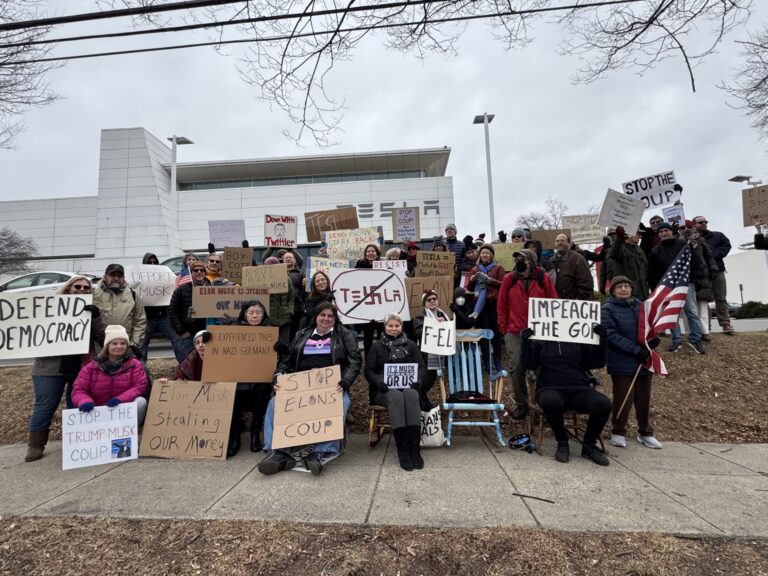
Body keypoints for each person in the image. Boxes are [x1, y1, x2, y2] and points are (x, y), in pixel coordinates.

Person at [258, 302, 361, 476]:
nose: (326, 319)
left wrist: (346, 380)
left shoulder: (344, 335)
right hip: (301, 386)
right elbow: (287, 361)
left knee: (341, 403)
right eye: (323, 315)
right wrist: (278, 377)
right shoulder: (302, 334)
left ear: (335, 319)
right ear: (316, 317)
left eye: (330, 316)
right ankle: (279, 452)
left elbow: (354, 360)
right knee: (274, 404)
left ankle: (320, 452)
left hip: (331, 386)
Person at [26, 276, 105, 462]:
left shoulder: (94, 310)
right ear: (68, 288)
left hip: (81, 366)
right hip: (49, 367)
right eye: (77, 286)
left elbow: (103, 338)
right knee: (45, 405)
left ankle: (74, 442)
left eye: (86, 287)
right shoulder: (49, 308)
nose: (82, 289)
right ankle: (35, 445)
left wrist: (95, 318)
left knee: (76, 405)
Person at [520, 324, 612, 466]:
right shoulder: (541, 340)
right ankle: (562, 442)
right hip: (550, 387)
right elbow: (529, 364)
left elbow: (596, 362)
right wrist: (526, 343)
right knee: (552, 401)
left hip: (579, 388)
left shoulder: (580, 339)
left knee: (603, 403)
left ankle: (589, 445)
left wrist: (602, 340)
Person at [601, 276, 663, 450]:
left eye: (626, 286)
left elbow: (651, 327)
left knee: (644, 399)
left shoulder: (642, 306)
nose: (623, 289)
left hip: (644, 361)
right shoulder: (607, 309)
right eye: (619, 287)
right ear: (613, 290)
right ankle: (618, 431)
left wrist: (652, 342)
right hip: (621, 360)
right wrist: (636, 350)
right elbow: (611, 335)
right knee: (623, 399)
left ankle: (645, 432)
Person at [497, 248, 558, 420]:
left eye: (523, 258)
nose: (519, 261)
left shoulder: (543, 278)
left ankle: (544, 403)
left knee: (543, 367)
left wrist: (550, 327)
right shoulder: (509, 279)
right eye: (517, 258)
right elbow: (502, 305)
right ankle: (521, 404)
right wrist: (504, 328)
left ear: (531, 261)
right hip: (515, 331)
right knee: (517, 367)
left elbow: (553, 302)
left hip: (539, 330)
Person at [365, 313, 426, 471]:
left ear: (402, 327)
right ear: (384, 327)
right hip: (384, 391)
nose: (393, 329)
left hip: (407, 388)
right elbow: (369, 370)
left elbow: (421, 366)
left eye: (397, 325)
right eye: (390, 325)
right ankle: (403, 449)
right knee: (396, 396)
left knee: (411, 395)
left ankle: (414, 448)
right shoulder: (377, 346)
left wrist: (418, 380)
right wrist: (379, 382)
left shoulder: (411, 345)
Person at [647, 223, 707, 354]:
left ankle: (695, 339)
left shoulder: (684, 246)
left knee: (692, 312)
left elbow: (696, 262)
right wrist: (655, 289)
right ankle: (677, 340)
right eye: (661, 231)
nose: (663, 233)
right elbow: (651, 272)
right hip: (667, 287)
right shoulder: (655, 251)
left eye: (666, 230)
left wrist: (697, 280)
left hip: (686, 284)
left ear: (672, 231)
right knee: (672, 314)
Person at [71, 325, 149, 424]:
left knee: (140, 401)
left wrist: (120, 399)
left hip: (124, 410)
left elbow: (140, 386)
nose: (119, 346)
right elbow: (79, 389)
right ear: (107, 346)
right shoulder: (91, 367)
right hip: (97, 412)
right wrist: (85, 401)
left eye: (123, 343)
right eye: (114, 343)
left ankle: (133, 432)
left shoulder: (135, 364)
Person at [226, 301, 274, 456]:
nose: (255, 315)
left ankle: (255, 435)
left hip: (259, 381)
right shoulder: (232, 330)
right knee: (232, 395)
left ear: (263, 315)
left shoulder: (270, 333)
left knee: (262, 390)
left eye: (258, 312)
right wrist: (209, 339)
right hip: (237, 379)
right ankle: (235, 439)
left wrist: (281, 348)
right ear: (245, 314)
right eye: (251, 312)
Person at [467, 244, 506, 371]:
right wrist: (472, 280)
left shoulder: (498, 267)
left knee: (496, 332)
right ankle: (486, 360)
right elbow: (468, 287)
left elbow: (503, 284)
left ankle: (497, 360)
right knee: (483, 332)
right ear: (480, 255)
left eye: (487, 253)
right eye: (482, 253)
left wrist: (489, 280)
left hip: (494, 303)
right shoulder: (475, 268)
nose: (484, 255)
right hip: (480, 305)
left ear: (491, 255)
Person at [693, 216, 734, 334]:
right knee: (703, 299)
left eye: (705, 222)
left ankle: (725, 323)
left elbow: (726, 247)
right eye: (701, 222)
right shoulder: (693, 238)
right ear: (694, 224)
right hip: (701, 273)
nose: (704, 224)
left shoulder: (718, 235)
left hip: (718, 271)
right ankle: (706, 326)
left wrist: (710, 256)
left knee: (720, 297)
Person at [92, 263, 147, 350]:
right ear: (105, 277)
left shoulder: (133, 295)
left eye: (120, 276)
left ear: (124, 278)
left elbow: (140, 321)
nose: (116, 278)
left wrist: (133, 343)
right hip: (99, 347)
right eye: (113, 275)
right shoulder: (94, 294)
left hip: (124, 346)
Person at [139, 252, 181, 362]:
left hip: (163, 316)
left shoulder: (164, 276)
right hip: (147, 317)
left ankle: (184, 366)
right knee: (143, 342)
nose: (152, 264)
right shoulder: (140, 278)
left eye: (154, 262)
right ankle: (141, 370)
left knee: (176, 339)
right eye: (150, 262)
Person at [413, 289, 450, 410]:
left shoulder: (443, 314)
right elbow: (418, 332)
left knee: (432, 377)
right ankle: (421, 401)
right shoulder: (420, 316)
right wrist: (434, 324)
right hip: (425, 354)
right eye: (429, 300)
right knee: (427, 379)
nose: (432, 301)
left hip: (439, 352)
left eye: (434, 298)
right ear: (425, 303)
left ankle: (422, 401)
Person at [169, 259, 211, 358]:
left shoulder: (212, 288)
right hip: (189, 334)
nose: (199, 272)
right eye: (196, 270)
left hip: (208, 333)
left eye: (202, 270)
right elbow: (172, 311)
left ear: (205, 273)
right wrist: (181, 331)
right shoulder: (181, 290)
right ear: (191, 273)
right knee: (188, 362)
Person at [354, 244, 383, 354]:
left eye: (373, 251)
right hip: (366, 307)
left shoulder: (383, 265)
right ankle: (368, 360)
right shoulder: (359, 265)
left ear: (377, 254)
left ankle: (380, 358)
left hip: (381, 305)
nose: (370, 253)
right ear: (365, 254)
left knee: (381, 335)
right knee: (368, 337)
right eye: (368, 251)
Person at [607, 226, 649, 300]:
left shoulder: (639, 250)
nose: (640, 236)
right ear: (630, 234)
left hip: (644, 294)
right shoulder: (620, 248)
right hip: (628, 296)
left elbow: (646, 268)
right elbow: (614, 253)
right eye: (638, 233)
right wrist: (619, 238)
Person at [552, 233, 593, 300]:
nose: (559, 243)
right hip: (555, 305)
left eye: (562, 240)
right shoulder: (551, 261)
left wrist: (577, 301)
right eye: (557, 241)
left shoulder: (578, 259)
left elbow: (586, 284)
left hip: (573, 305)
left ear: (569, 243)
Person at [264, 256, 295, 344]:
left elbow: (291, 297)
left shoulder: (287, 279)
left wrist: (290, 311)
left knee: (284, 344)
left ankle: (284, 358)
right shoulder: (262, 281)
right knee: (270, 344)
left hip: (285, 317)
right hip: (270, 318)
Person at [282, 251, 306, 341]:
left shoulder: (300, 273)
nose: (288, 259)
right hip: (282, 308)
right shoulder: (277, 273)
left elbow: (305, 293)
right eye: (286, 258)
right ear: (282, 260)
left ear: (295, 260)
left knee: (294, 331)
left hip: (296, 308)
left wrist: (305, 285)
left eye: (290, 257)